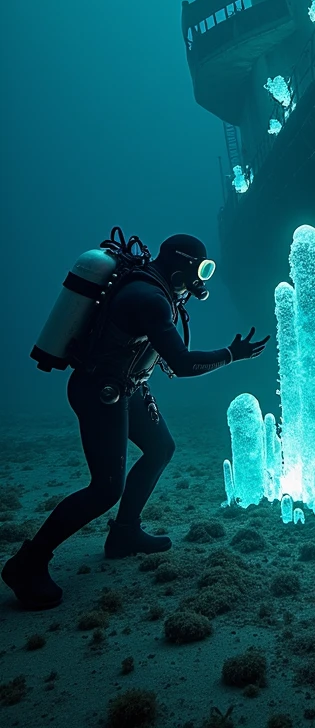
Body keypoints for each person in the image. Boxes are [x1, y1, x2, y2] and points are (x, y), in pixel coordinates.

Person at [2, 234, 269, 611]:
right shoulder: (149, 299)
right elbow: (181, 363)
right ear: (180, 267)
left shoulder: (155, 288)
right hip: (101, 390)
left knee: (160, 448)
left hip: (124, 384)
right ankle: (27, 564)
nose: (203, 280)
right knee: (105, 488)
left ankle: (124, 533)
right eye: (201, 270)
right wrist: (231, 354)